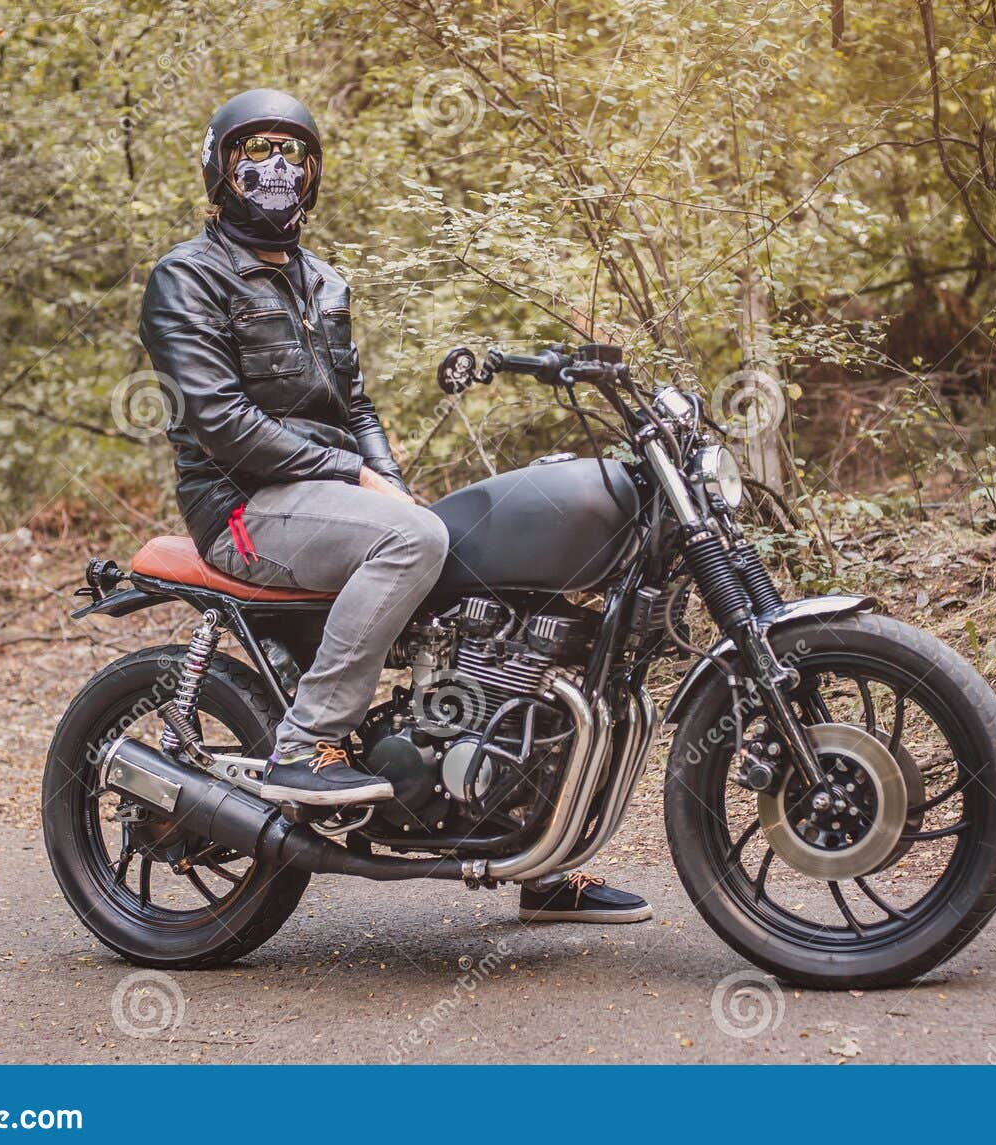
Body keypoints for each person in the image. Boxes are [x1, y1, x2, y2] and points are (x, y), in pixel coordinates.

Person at [138, 89, 650, 924]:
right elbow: (221, 422)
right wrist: (356, 474)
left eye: (292, 151)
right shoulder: (186, 277)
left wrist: (391, 485)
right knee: (412, 539)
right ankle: (307, 743)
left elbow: (357, 406)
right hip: (241, 505)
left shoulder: (322, 281)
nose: (276, 167)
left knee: (492, 578)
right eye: (255, 150)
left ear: (314, 172)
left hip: (326, 495)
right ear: (220, 167)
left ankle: (532, 847)